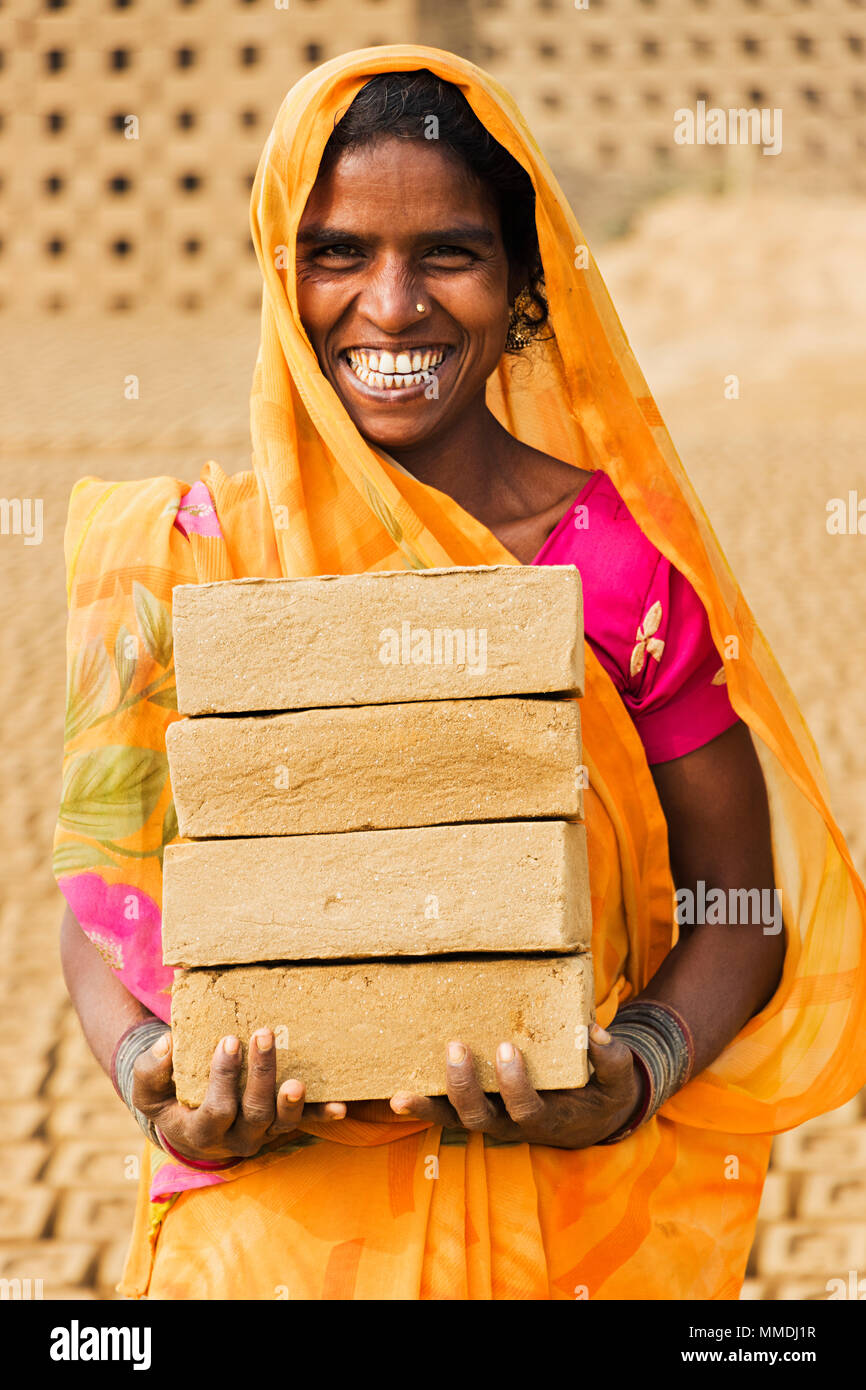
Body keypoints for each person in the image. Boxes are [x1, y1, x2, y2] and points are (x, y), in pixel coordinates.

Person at [56, 47, 866, 1300]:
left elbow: (739, 908)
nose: (391, 306)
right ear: (282, 271)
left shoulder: (611, 571)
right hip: (273, 1235)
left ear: (522, 286)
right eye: (336, 253)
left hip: (550, 1228)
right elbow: (97, 921)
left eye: (447, 252)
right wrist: (156, 1081)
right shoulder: (186, 560)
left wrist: (632, 1070)